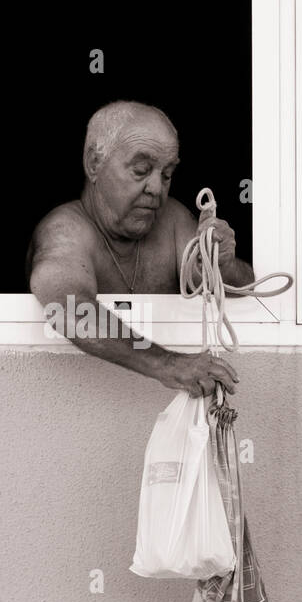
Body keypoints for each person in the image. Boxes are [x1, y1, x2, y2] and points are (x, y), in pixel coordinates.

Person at [27, 100, 251, 398]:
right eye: (141, 170)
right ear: (94, 163)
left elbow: (241, 286)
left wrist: (223, 262)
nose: (156, 189)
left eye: (167, 174)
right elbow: (67, 310)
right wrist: (170, 365)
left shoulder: (171, 219)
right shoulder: (65, 230)